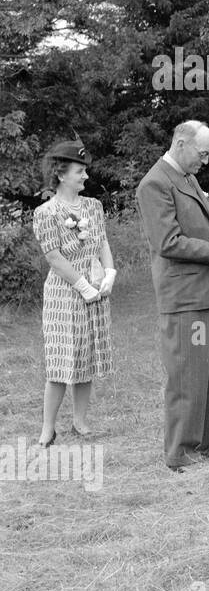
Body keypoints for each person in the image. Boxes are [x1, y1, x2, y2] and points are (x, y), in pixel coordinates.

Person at [137, 121, 209, 472]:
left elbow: (193, 225)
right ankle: (181, 453)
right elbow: (168, 242)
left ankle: (203, 447)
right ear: (180, 143)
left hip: (207, 293)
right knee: (187, 375)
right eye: (202, 154)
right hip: (185, 299)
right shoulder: (155, 184)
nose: (206, 162)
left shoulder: (187, 178)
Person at [32, 140, 116, 447]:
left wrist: (109, 274)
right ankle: (47, 428)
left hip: (94, 287)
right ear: (61, 174)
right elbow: (54, 257)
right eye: (80, 171)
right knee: (59, 360)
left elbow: (102, 242)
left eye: (85, 171)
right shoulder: (46, 212)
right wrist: (83, 286)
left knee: (85, 356)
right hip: (64, 294)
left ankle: (80, 421)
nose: (85, 177)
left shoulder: (93, 206)